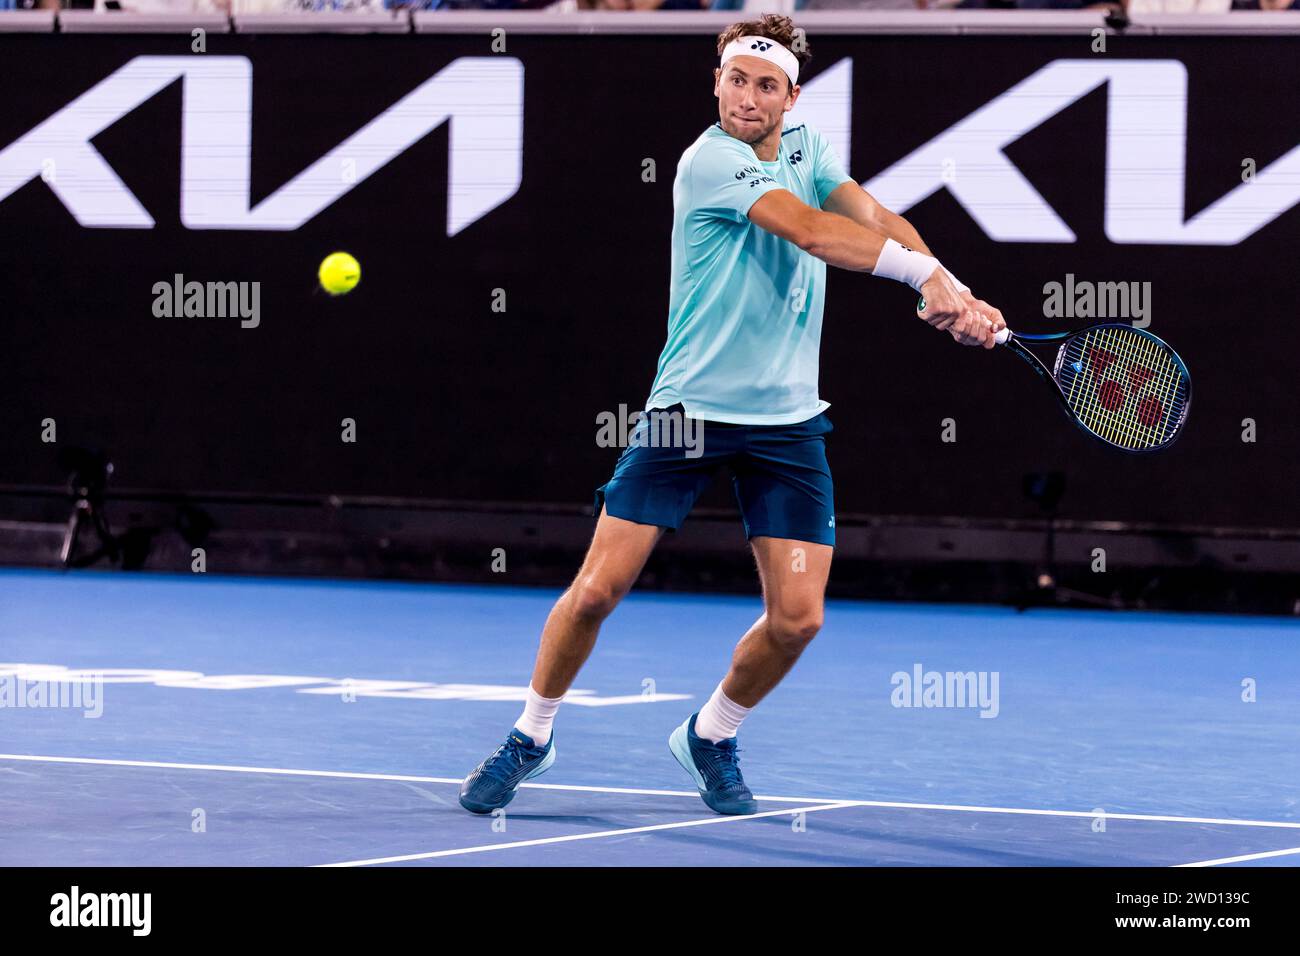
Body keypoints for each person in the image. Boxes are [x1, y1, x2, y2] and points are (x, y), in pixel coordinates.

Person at [459, 12, 1006, 817]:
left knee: (798, 619)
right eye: (735, 79)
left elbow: (876, 222)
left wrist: (949, 286)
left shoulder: (806, 146)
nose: (747, 98)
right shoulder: (706, 163)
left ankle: (710, 735)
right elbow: (816, 234)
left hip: (786, 425)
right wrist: (921, 281)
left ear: (791, 96)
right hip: (688, 413)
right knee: (598, 591)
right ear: (717, 79)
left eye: (766, 85)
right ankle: (530, 736)